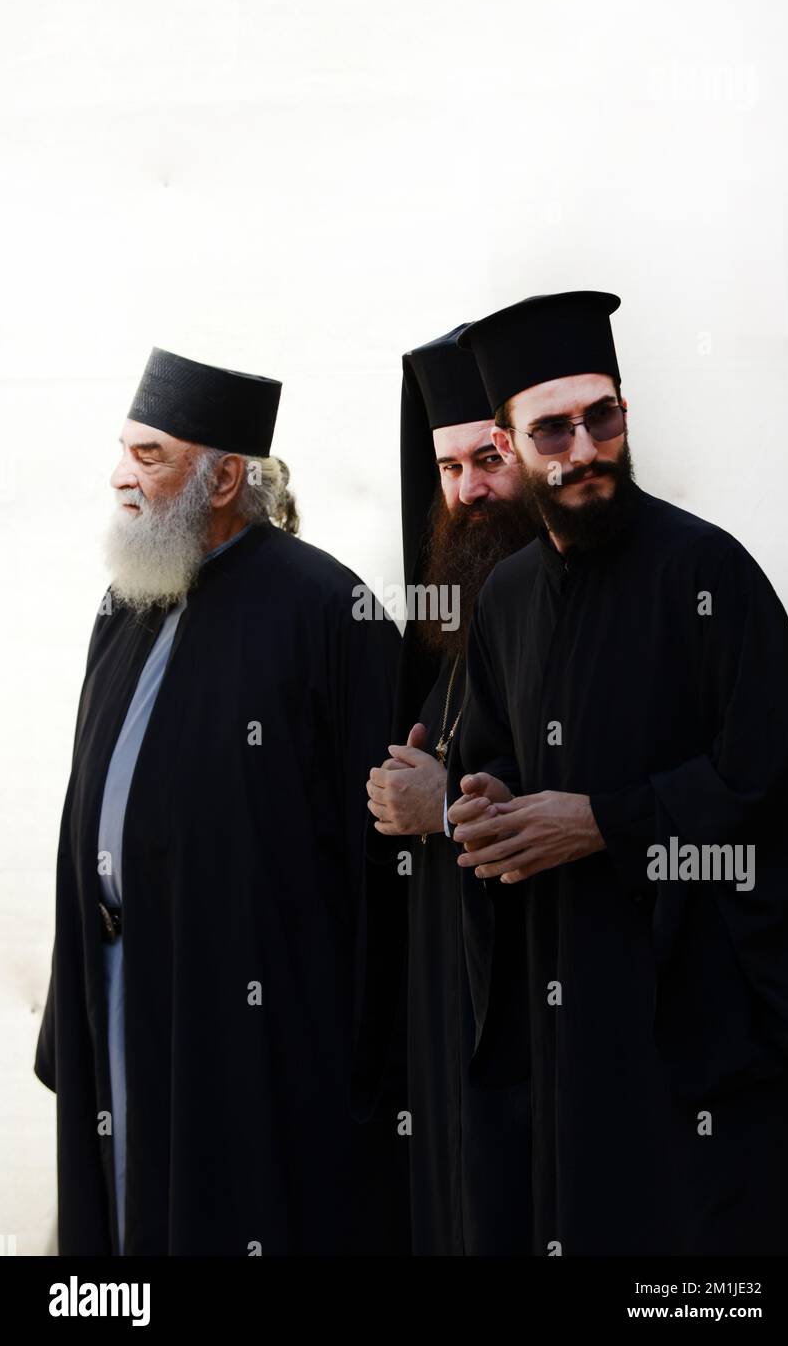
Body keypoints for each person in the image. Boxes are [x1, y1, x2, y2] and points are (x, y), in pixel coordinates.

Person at [447, 291, 788, 1255]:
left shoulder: (708, 571)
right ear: (508, 441)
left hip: (693, 1026)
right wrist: (476, 800)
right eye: (552, 428)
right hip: (563, 1014)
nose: (582, 449)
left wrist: (611, 820)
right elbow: (488, 755)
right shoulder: (507, 597)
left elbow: (782, 785)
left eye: (600, 416)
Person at [34, 346, 405, 1255]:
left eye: (151, 455)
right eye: (125, 450)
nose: (123, 476)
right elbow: (88, 796)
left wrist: (363, 1053)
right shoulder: (124, 604)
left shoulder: (326, 608)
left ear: (226, 476)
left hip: (250, 1012)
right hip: (120, 983)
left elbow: (379, 858)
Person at [365, 326, 535, 1254]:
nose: (470, 490)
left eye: (490, 459)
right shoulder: (453, 631)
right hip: (448, 1032)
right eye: (449, 466)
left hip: (555, 1036)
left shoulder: (613, 597)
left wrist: (446, 811)